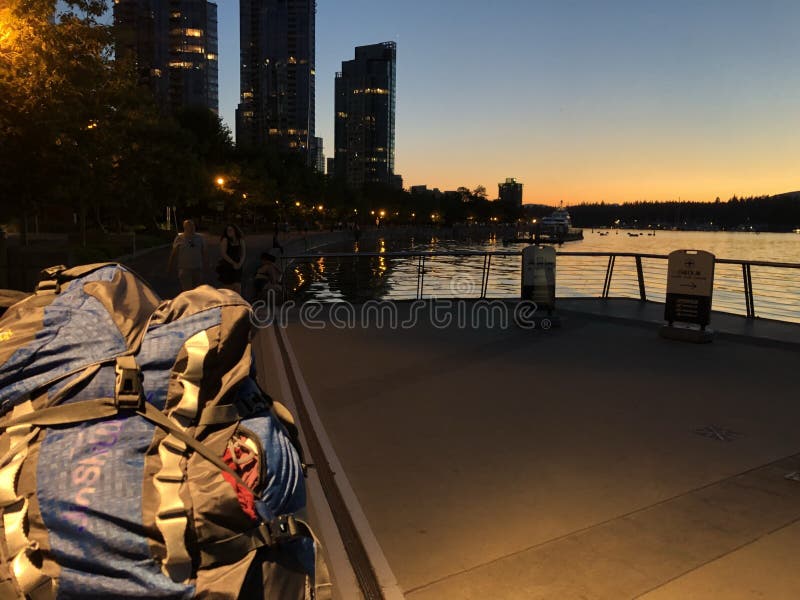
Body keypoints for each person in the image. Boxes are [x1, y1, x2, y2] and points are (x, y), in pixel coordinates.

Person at [167, 219, 208, 291]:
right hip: (184, 269)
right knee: (187, 291)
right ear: (185, 227)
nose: (191, 228)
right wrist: (170, 266)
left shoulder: (200, 238)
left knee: (197, 290)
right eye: (189, 226)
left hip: (197, 268)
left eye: (192, 226)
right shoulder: (179, 238)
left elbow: (204, 252)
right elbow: (174, 253)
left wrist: (206, 264)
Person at [217, 224, 246, 294]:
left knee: (238, 286)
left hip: (238, 265)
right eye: (227, 230)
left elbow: (243, 253)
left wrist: (240, 263)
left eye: (231, 230)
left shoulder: (240, 240)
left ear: (235, 231)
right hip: (227, 265)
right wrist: (233, 263)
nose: (229, 231)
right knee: (228, 288)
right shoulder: (225, 240)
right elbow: (223, 254)